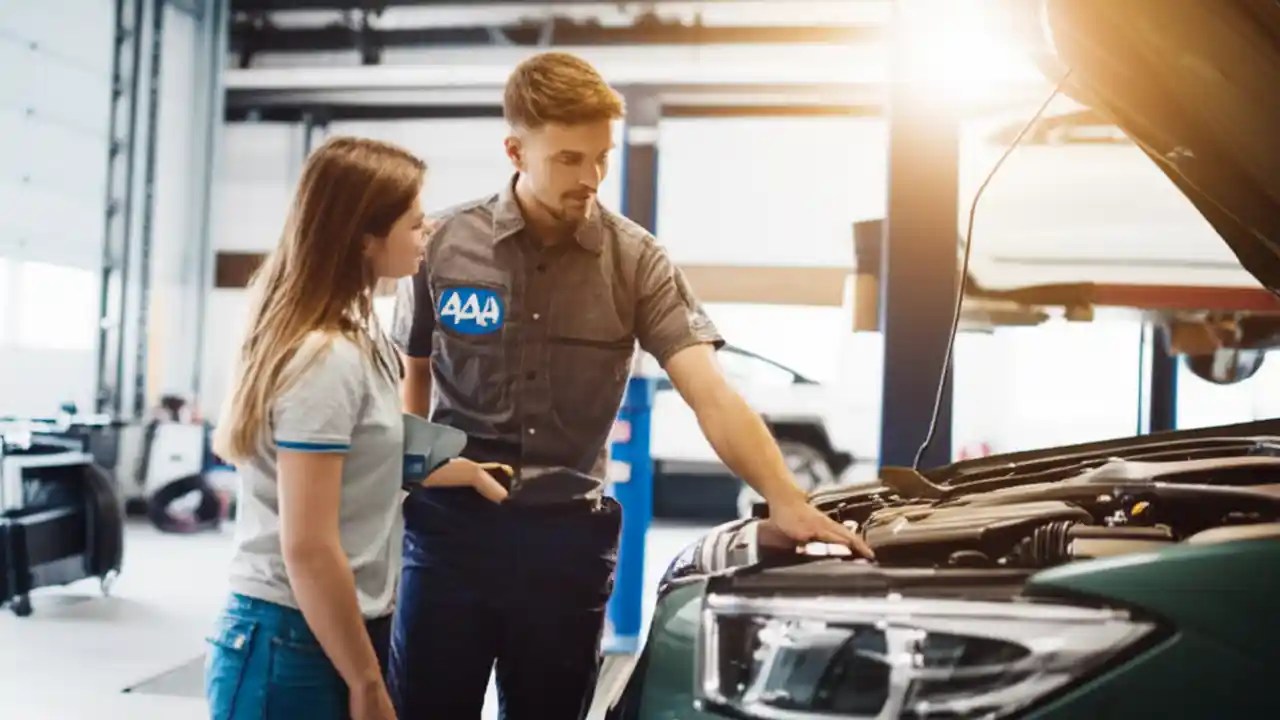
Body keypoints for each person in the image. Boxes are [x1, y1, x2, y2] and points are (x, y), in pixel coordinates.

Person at [386, 52, 874, 719]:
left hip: (567, 547)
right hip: (451, 539)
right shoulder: (443, 247)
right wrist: (409, 488)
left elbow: (712, 393)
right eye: (567, 159)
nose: (588, 179)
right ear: (515, 151)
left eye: (600, 158)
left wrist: (784, 499)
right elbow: (408, 385)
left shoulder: (634, 260)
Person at [204, 136, 506, 720]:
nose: (429, 235)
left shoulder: (361, 333)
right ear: (367, 236)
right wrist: (368, 683)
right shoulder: (326, 359)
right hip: (291, 640)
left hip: (329, 629)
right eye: (416, 224)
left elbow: (361, 457)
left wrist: (459, 471)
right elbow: (310, 547)